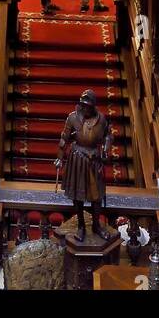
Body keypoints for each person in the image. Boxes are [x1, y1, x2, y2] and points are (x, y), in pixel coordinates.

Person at [55, 89, 113, 243]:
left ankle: (96, 225)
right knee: (78, 196)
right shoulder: (73, 118)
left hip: (94, 159)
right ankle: (81, 225)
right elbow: (64, 139)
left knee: (97, 196)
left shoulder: (101, 119)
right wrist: (59, 158)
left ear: (93, 106)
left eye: (88, 105)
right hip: (78, 159)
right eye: (83, 105)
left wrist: (106, 149)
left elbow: (108, 135)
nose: (85, 108)